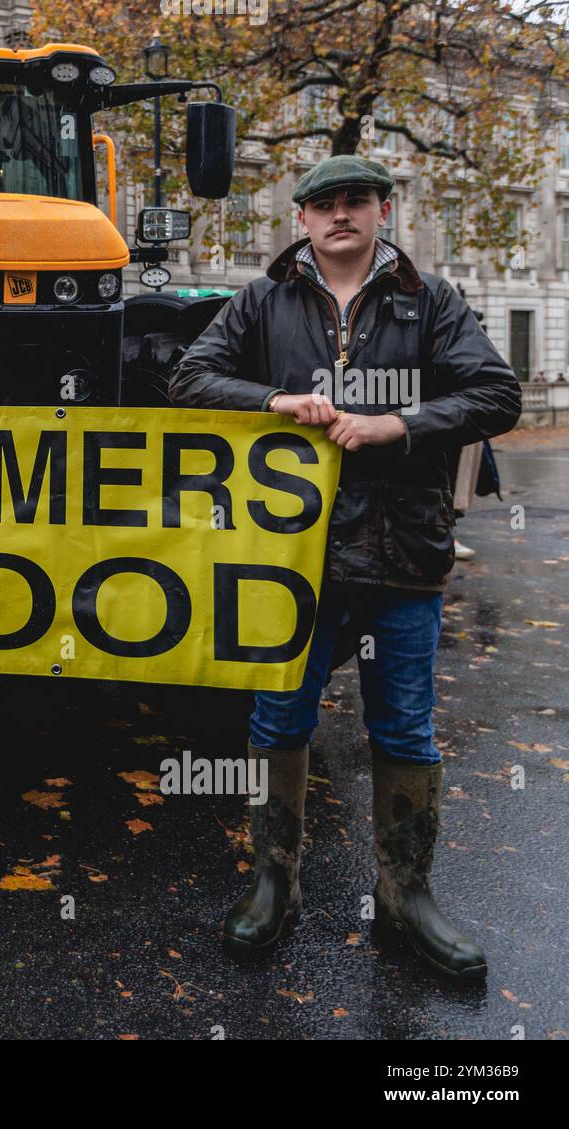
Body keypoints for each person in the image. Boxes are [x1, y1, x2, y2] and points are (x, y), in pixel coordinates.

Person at [169, 156, 522, 981]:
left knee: (402, 723)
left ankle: (409, 898)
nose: (338, 216)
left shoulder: (429, 300)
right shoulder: (260, 300)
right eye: (322, 204)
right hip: (291, 559)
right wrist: (272, 402)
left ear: (382, 210)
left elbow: (496, 394)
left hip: (403, 550)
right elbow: (189, 379)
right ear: (301, 220)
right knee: (279, 718)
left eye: (354, 201)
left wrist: (400, 422)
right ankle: (272, 882)